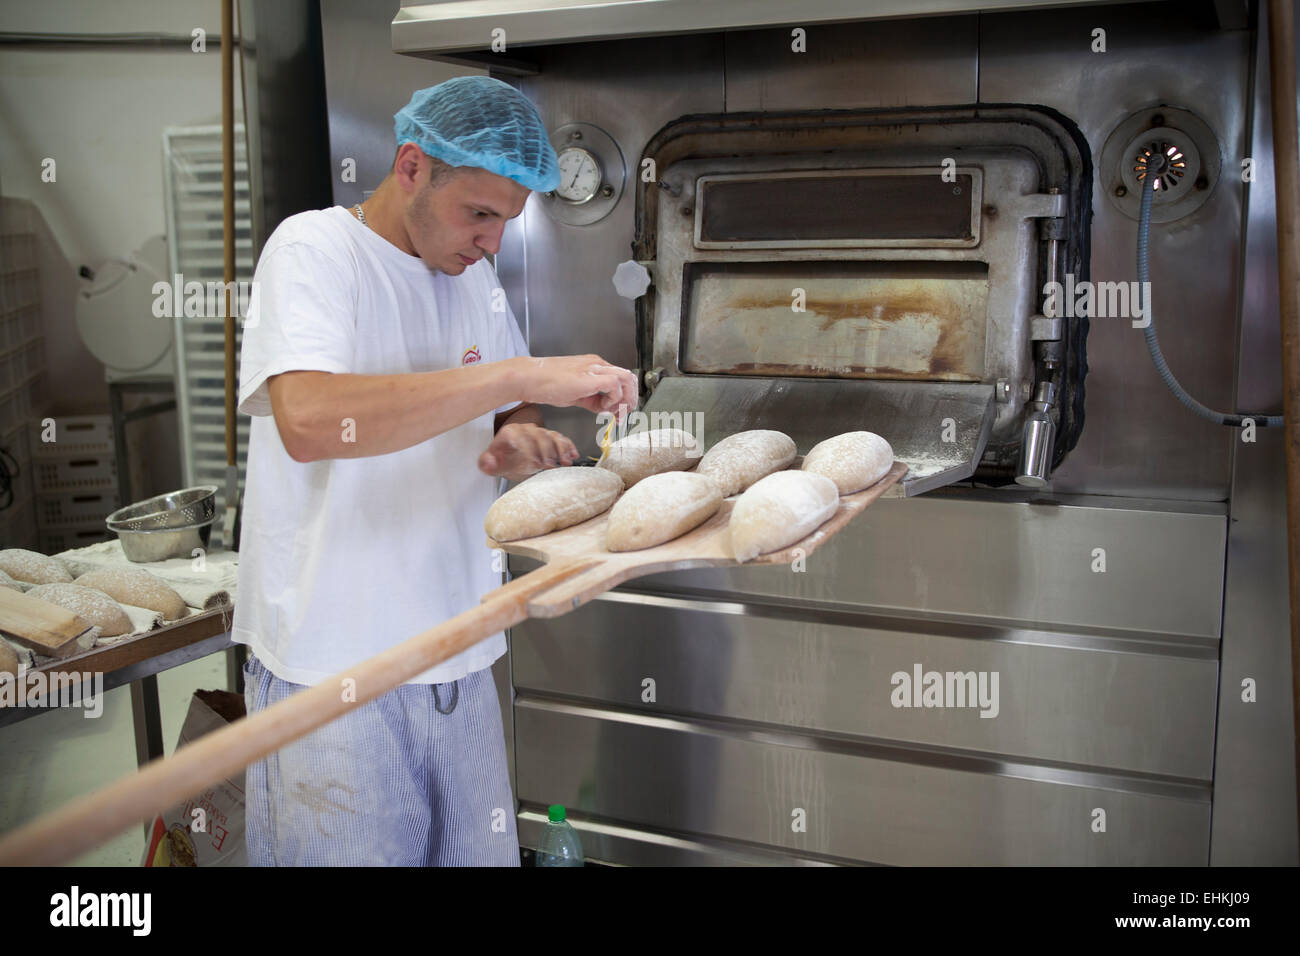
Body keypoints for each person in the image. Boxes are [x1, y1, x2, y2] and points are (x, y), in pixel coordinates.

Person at [232, 75, 638, 866]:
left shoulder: (471, 277)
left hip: (459, 653)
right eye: (478, 214)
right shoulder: (315, 251)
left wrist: (514, 439)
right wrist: (517, 382)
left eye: (505, 223)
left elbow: (499, 410)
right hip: (335, 673)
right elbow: (311, 422)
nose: (491, 242)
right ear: (412, 166)